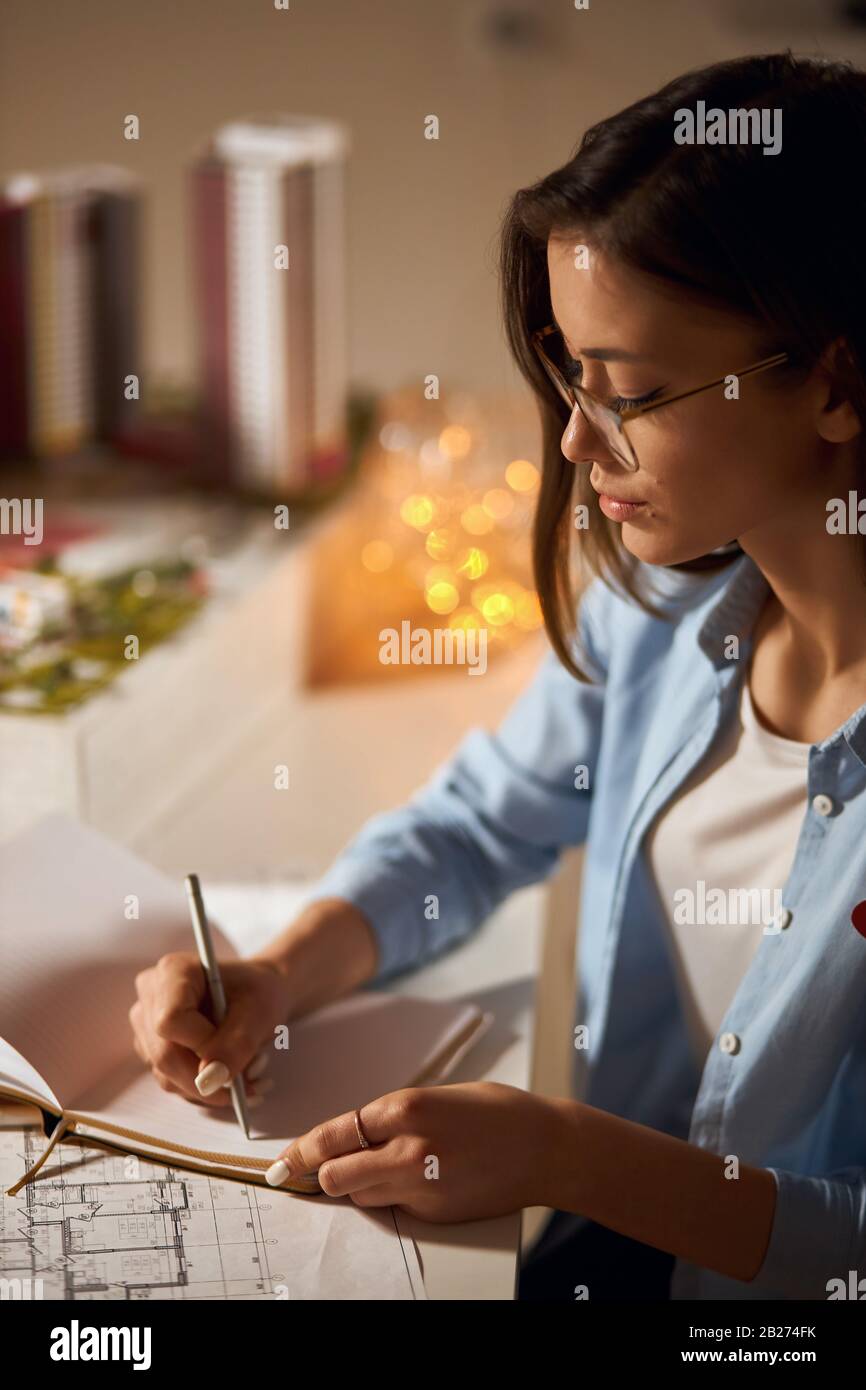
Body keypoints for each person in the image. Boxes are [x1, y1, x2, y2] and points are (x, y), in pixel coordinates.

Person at [130, 52, 866, 1301]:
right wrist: (276, 970)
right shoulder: (663, 615)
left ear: (838, 384)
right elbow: (475, 828)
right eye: (570, 375)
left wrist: (565, 1154)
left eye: (627, 390)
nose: (577, 439)